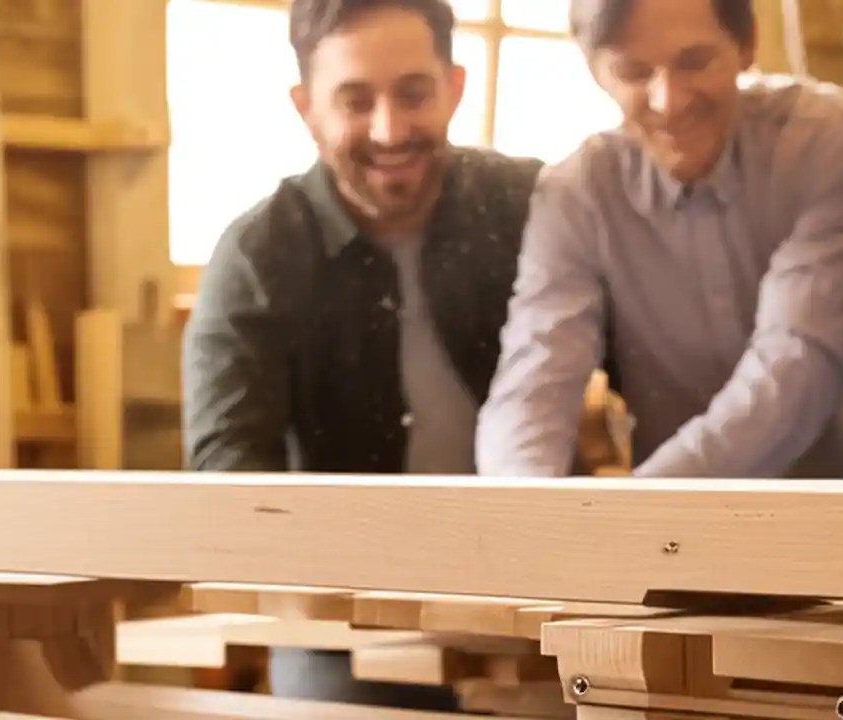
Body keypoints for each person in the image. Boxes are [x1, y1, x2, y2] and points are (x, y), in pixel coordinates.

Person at [181, 0, 542, 704]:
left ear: (455, 87)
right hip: (345, 622)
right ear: (305, 108)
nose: (389, 129)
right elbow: (227, 473)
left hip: (541, 600)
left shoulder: (527, 205)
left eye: (413, 94)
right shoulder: (258, 255)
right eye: (354, 101)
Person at [475, 0, 843, 478]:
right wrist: (523, 514)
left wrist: (641, 508)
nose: (669, 101)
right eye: (635, 72)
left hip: (837, 509)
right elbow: (535, 376)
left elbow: (797, 365)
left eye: (695, 61)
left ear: (747, 47)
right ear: (597, 73)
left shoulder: (819, 138)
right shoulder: (579, 192)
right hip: (663, 536)